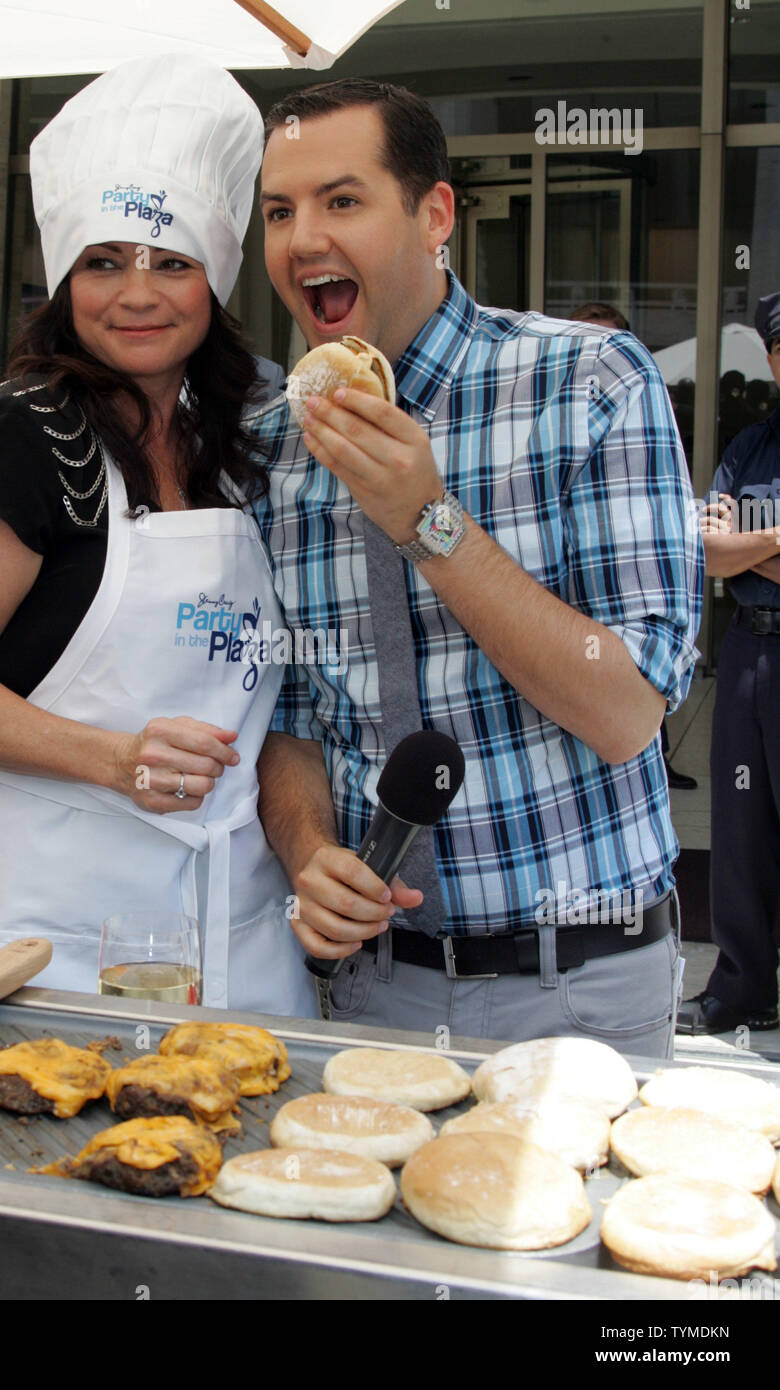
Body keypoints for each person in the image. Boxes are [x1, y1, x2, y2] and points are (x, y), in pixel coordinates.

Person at [247, 79, 702, 1055]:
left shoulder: (590, 381)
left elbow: (626, 710)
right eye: (279, 211)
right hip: (372, 990)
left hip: (579, 984)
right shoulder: (273, 446)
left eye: (342, 199)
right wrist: (309, 851)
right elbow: (291, 714)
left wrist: (429, 521)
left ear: (434, 215)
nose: (301, 238)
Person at [0, 56, 317, 1016]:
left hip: (231, 923)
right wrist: (116, 760)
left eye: (171, 262)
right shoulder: (17, 437)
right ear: (64, 279)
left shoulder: (248, 436)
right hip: (33, 932)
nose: (137, 293)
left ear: (213, 280)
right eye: (104, 261)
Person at [676, 291, 780, 1035]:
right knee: (742, 828)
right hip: (748, 648)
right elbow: (708, 550)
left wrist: (757, 541)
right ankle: (741, 989)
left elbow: (733, 544)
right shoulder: (753, 445)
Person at [568, 304, 697, 792]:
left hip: (620, 676)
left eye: (610, 351)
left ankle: (659, 758)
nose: (598, 369)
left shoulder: (641, 423)